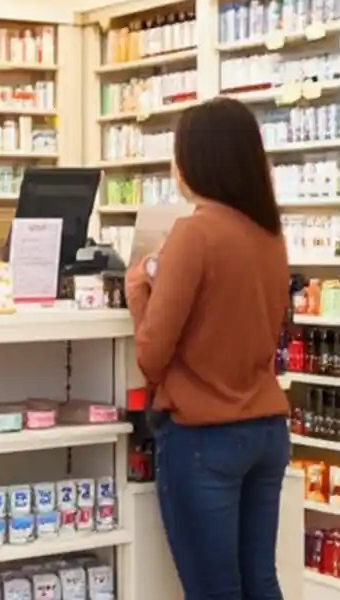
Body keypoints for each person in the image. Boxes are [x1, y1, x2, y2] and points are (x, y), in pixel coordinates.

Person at [125, 97, 291, 600]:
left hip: (204, 439)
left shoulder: (193, 233)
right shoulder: (270, 235)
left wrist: (138, 287)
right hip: (266, 430)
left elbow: (152, 354)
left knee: (214, 591)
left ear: (195, 162)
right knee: (260, 583)